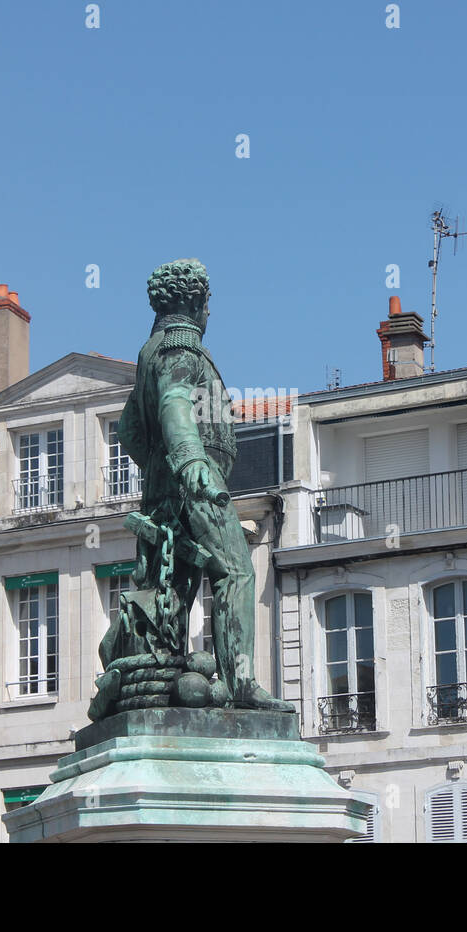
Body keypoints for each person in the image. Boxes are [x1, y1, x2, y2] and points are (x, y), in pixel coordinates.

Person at [115, 259, 293, 712]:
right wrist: (191, 460)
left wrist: (159, 467)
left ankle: (149, 680)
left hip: (163, 488)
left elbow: (131, 431)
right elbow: (176, 407)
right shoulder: (182, 352)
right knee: (235, 571)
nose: (210, 312)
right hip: (199, 484)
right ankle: (241, 685)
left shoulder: (149, 353)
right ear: (195, 302)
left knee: (170, 592)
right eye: (209, 303)